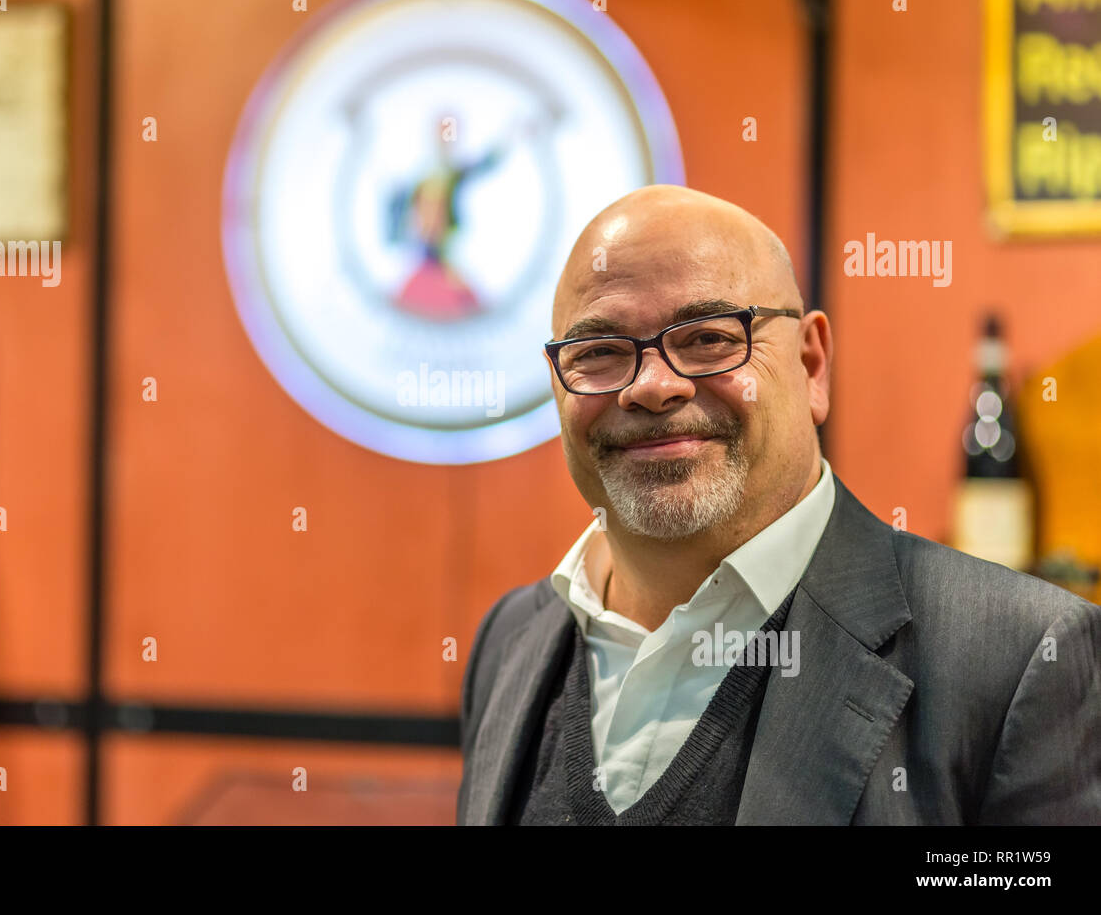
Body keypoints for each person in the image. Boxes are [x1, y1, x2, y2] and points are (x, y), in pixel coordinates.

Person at [456, 184, 1101, 825]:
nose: (652, 386)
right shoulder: (512, 640)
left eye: (708, 338)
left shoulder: (1017, 660)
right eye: (598, 352)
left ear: (811, 364)